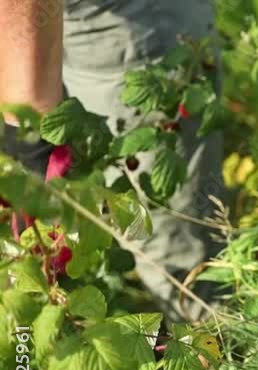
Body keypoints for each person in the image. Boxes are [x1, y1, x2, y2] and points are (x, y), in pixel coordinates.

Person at [1, 0, 226, 321]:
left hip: (132, 21)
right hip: (42, 22)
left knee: (177, 253)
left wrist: (29, 134)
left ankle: (215, 345)